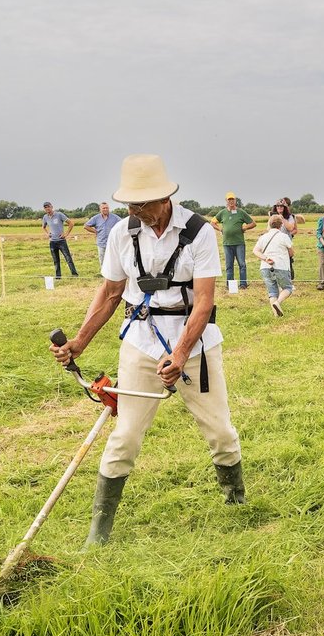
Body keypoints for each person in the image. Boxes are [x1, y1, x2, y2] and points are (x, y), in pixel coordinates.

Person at [49, 154, 245, 548]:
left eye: (143, 205)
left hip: (195, 345)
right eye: (130, 206)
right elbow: (110, 292)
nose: (137, 213)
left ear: (165, 198)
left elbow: (204, 302)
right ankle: (98, 536)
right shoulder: (123, 233)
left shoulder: (199, 231)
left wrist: (180, 352)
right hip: (140, 343)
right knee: (124, 438)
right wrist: (80, 341)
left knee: (221, 432)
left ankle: (236, 501)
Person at [211, 192, 254, 289]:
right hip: (227, 244)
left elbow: (253, 223)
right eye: (229, 199)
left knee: (242, 264)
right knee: (229, 265)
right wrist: (220, 229)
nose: (231, 201)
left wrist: (245, 228)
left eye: (232, 199)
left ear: (235, 201)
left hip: (239, 243)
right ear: (226, 201)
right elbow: (212, 223)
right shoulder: (222, 213)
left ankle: (243, 284)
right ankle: (229, 285)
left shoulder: (241, 212)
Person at [254, 215, 294, 316]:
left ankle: (277, 315)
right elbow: (291, 252)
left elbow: (255, 251)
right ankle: (278, 302)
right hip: (281, 266)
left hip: (265, 267)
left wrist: (266, 258)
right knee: (288, 288)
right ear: (281, 225)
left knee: (272, 292)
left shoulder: (263, 237)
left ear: (269, 224)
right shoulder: (284, 236)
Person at [41, 202, 78, 278]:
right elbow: (43, 227)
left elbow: (71, 223)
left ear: (52, 207)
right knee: (56, 260)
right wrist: (47, 233)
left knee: (68, 258)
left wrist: (66, 234)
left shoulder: (59, 214)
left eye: (48, 207)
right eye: (45, 207)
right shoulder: (45, 217)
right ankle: (58, 276)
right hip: (52, 242)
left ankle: (74, 275)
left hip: (61, 241)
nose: (47, 208)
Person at [83, 202, 123, 269]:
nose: (105, 209)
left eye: (107, 208)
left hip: (112, 243)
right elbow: (86, 226)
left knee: (114, 260)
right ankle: (104, 274)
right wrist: (95, 231)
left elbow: (122, 224)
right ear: (100, 209)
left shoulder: (115, 217)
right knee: (102, 260)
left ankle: (114, 273)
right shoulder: (96, 218)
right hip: (101, 243)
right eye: (103, 208)